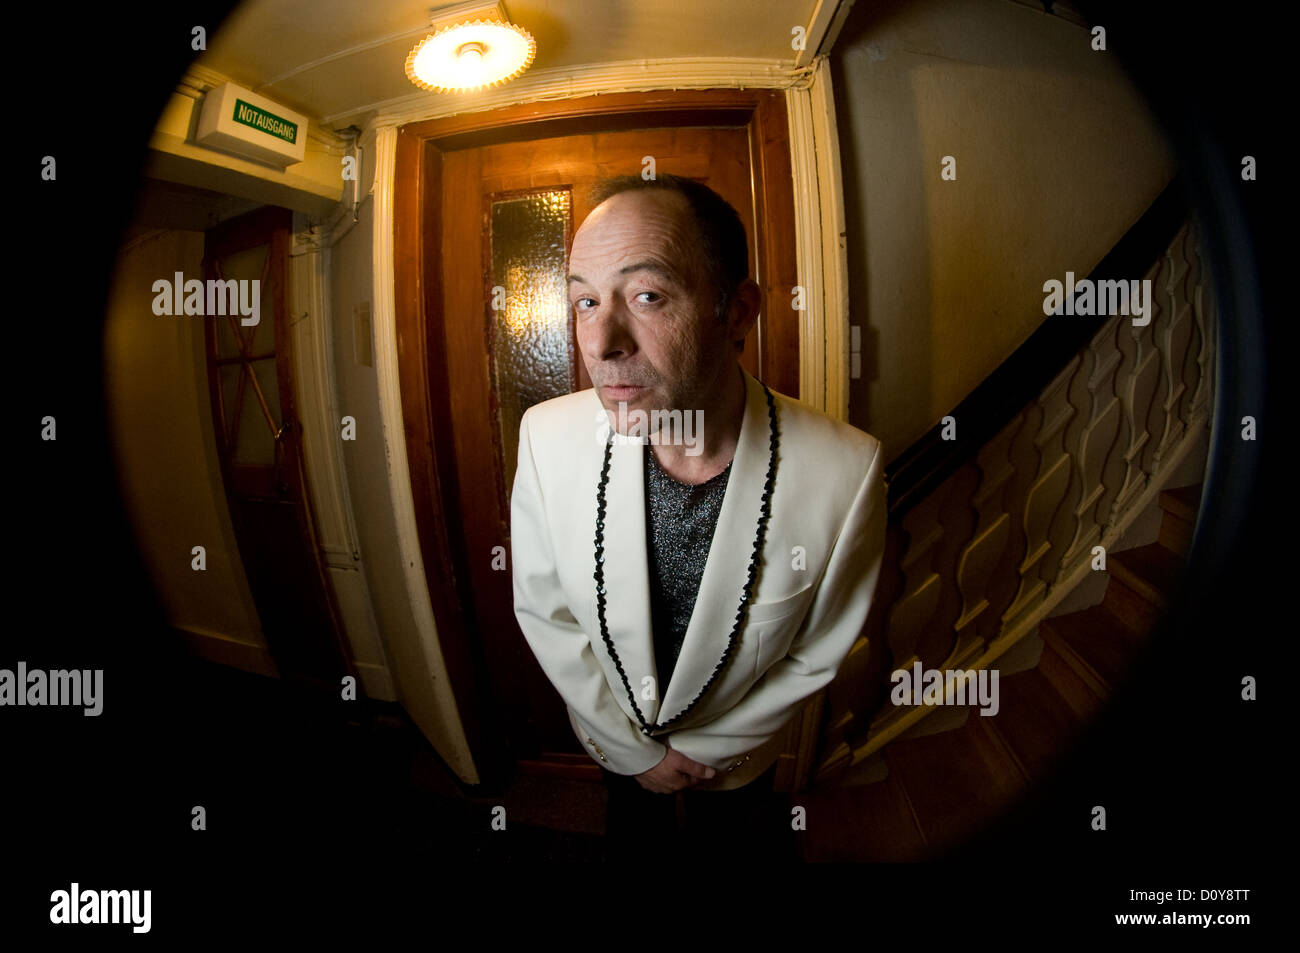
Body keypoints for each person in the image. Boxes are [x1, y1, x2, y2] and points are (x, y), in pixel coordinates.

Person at [510, 173, 887, 860]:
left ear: (737, 311)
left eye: (648, 295)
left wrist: (710, 751)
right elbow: (545, 609)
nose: (603, 341)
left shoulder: (846, 470)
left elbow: (817, 649)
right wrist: (632, 750)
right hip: (614, 744)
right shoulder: (545, 436)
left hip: (735, 762)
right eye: (585, 301)